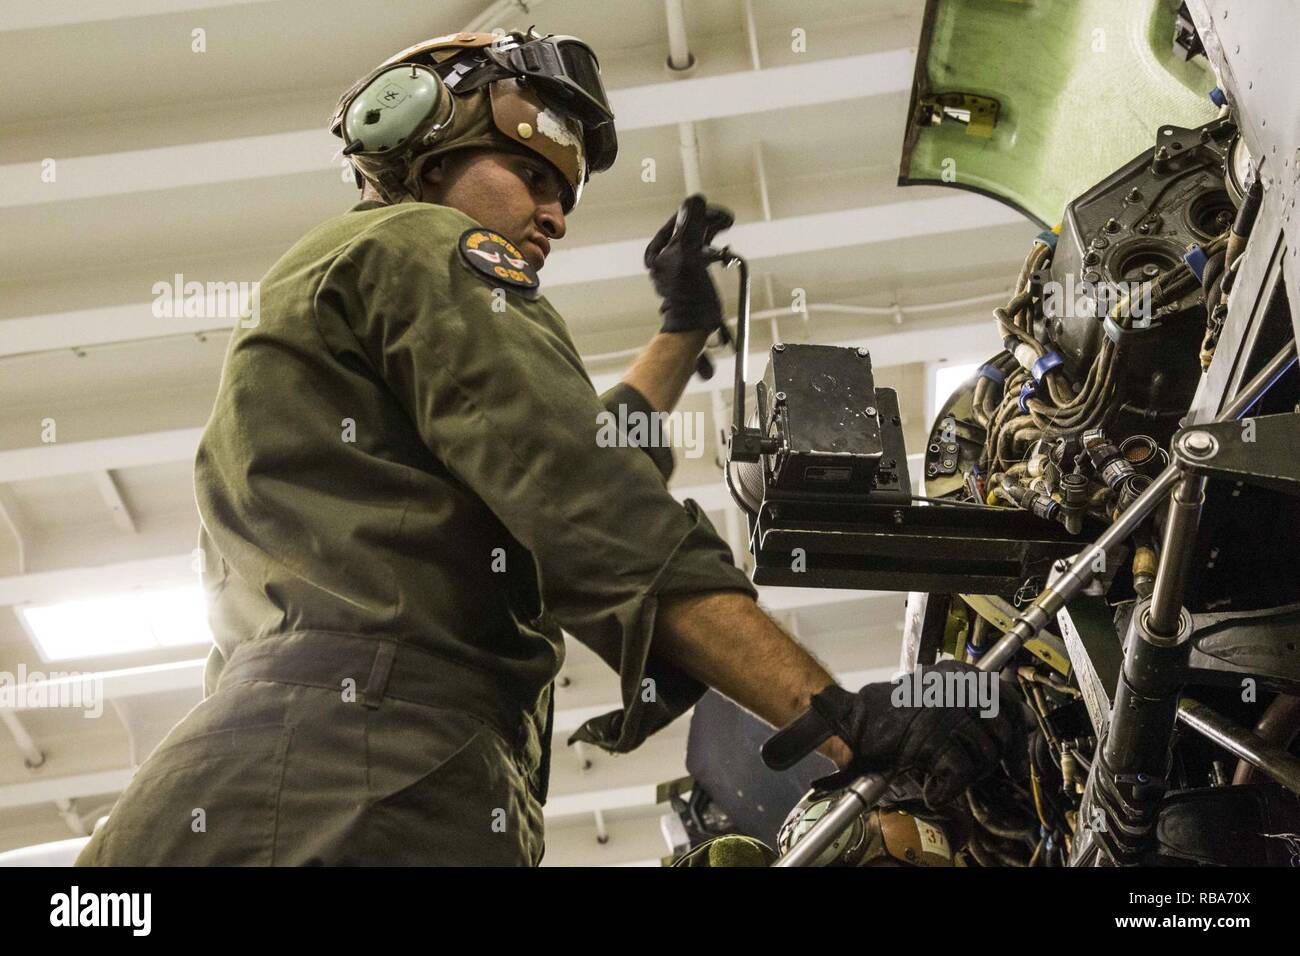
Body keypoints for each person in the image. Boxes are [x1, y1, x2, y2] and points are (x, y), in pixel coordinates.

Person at [76, 29, 1019, 867]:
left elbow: (567, 450)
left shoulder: (348, 284)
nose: (556, 214)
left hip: (287, 778)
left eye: (564, 194)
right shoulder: (418, 242)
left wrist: (684, 330)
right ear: (421, 143)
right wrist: (840, 719)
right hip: (354, 781)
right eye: (530, 174)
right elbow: (584, 496)